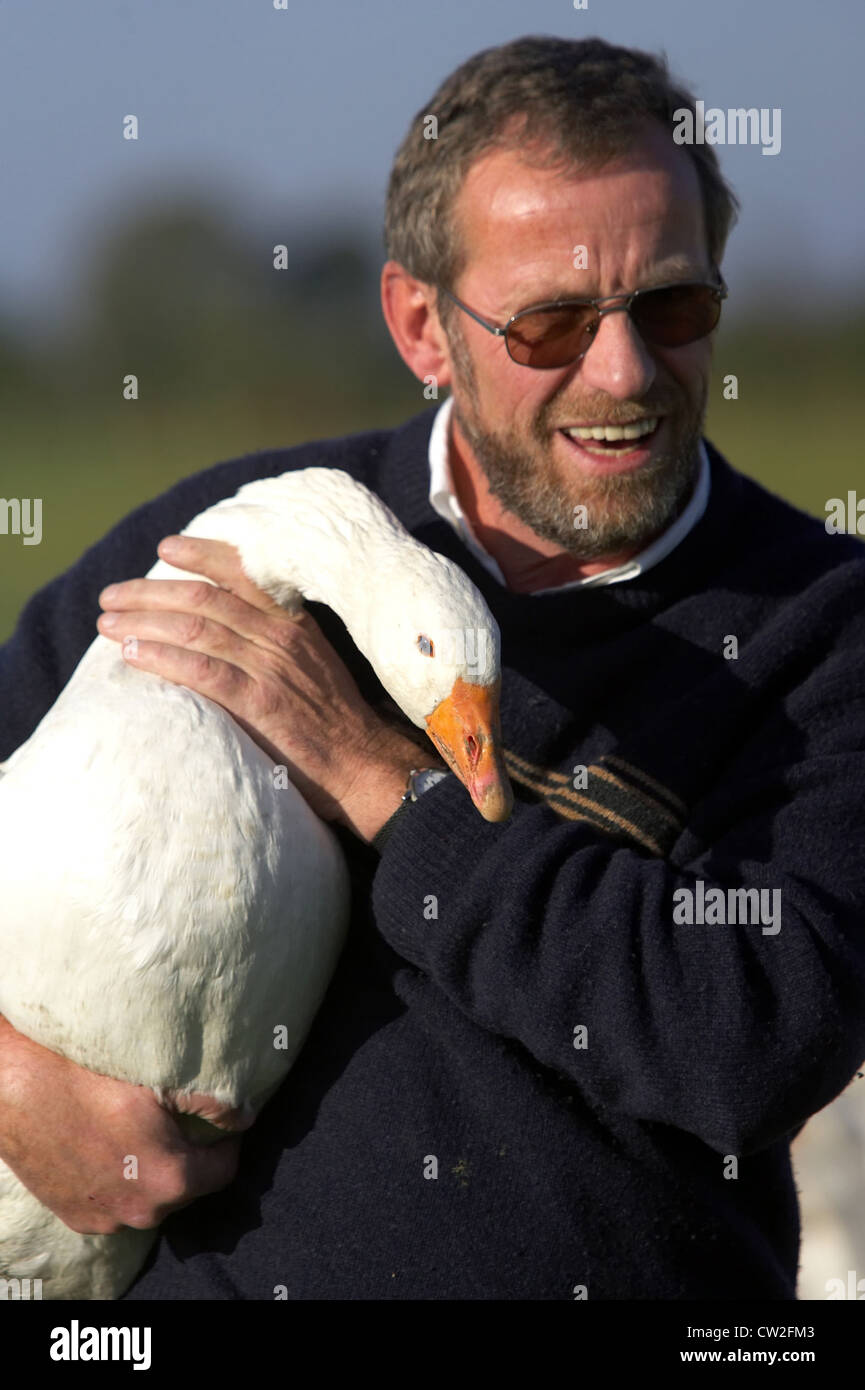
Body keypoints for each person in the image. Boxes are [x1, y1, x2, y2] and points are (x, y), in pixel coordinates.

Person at [1, 34, 863, 1301]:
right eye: (552, 321)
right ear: (421, 325)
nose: (622, 372)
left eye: (671, 307)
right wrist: (13, 1087)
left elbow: (745, 1040)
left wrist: (386, 784)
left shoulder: (821, 634)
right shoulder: (206, 566)